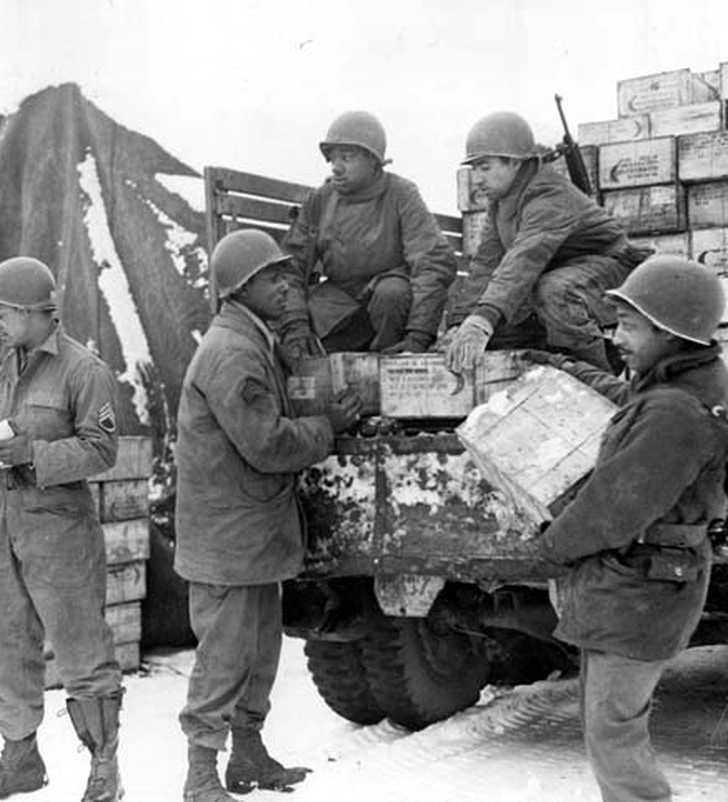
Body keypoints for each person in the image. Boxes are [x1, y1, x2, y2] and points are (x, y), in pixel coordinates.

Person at [530, 256, 728, 801]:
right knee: (611, 729)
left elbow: (614, 506)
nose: (617, 338)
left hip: (641, 588)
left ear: (672, 333)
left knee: (614, 736)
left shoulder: (675, 413)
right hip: (641, 584)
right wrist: (568, 369)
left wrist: (553, 546)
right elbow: (630, 403)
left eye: (630, 326)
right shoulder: (680, 386)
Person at [175, 229, 362, 802]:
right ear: (240, 290)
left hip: (249, 535)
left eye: (286, 274)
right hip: (229, 540)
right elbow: (265, 443)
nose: (286, 285)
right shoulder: (233, 352)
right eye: (271, 278)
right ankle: (200, 775)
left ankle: (248, 756)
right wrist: (326, 428)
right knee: (223, 659)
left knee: (258, 653)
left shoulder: (254, 339)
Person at [0, 256, 124, 802]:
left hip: (62, 534)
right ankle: (20, 761)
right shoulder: (5, 365)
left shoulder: (85, 370)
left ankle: (105, 768)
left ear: (36, 311)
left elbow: (102, 449)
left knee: (82, 652)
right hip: (5, 526)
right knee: (8, 649)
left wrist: (32, 453)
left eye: (1, 312)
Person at [444, 110, 651, 374]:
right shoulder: (501, 203)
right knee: (509, 320)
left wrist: (483, 317)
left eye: (485, 167)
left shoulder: (549, 194)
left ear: (515, 163)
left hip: (613, 271)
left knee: (553, 292)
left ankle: (600, 381)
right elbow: (486, 265)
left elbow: (525, 258)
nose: (478, 178)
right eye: (475, 169)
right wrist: (462, 322)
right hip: (562, 274)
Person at [279, 110, 459, 357]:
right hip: (340, 297)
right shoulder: (320, 200)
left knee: (392, 295)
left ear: (374, 160)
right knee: (308, 314)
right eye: (332, 159)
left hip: (390, 299)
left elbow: (432, 261)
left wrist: (418, 336)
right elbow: (292, 268)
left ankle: (391, 365)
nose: (337, 167)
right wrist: (295, 325)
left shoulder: (401, 194)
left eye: (347, 157)